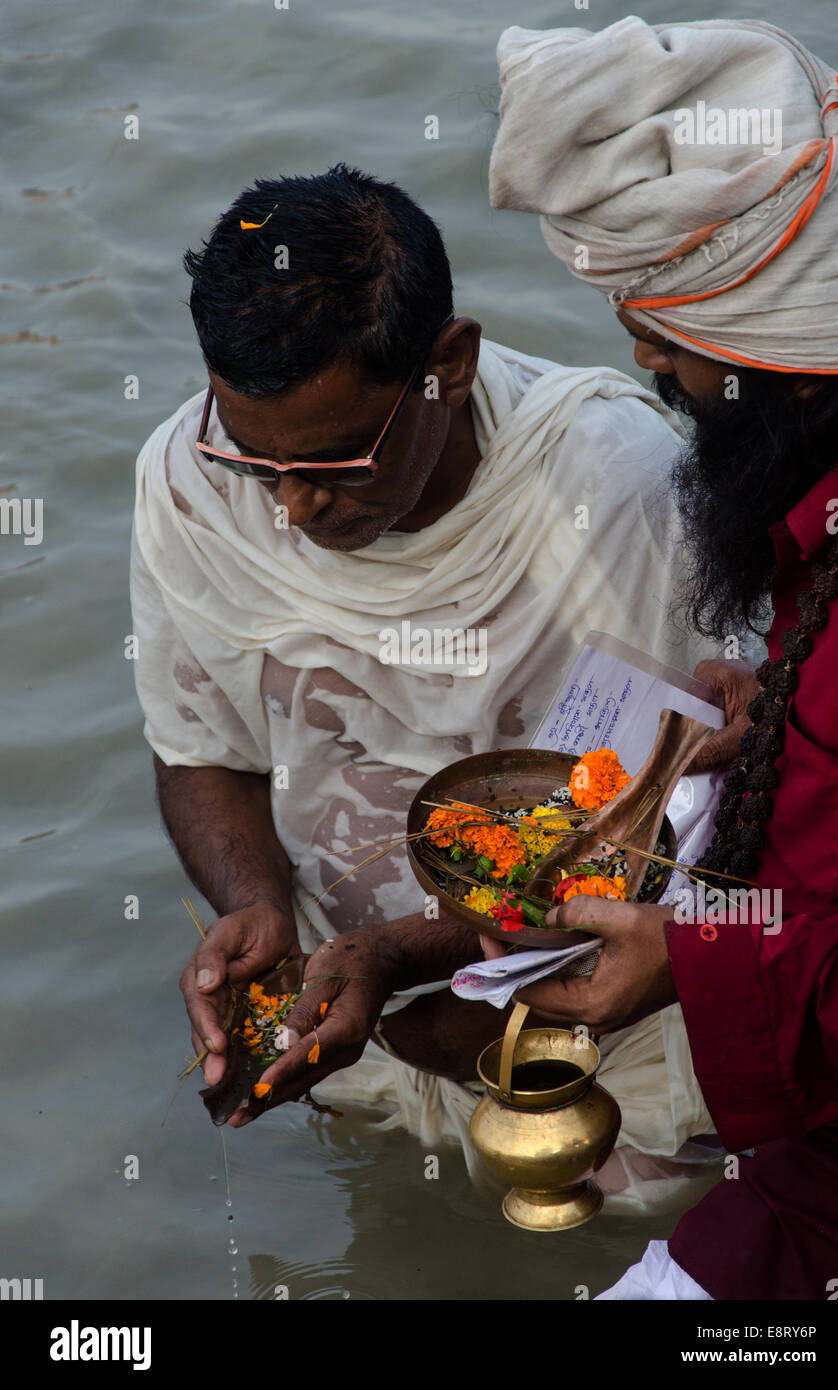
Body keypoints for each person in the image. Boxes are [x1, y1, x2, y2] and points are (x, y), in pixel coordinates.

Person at [132, 163, 718, 1169]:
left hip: (594, 1036)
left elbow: (644, 828)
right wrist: (257, 907)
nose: (288, 509)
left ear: (448, 361)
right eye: (254, 459)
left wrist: (397, 956)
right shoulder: (189, 480)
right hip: (346, 1025)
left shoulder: (613, 487)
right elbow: (202, 751)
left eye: (334, 466)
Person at [486, 16, 838, 1298]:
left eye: (667, 335)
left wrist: (687, 958)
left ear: (791, 359)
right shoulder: (834, 505)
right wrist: (781, 723)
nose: (643, 362)